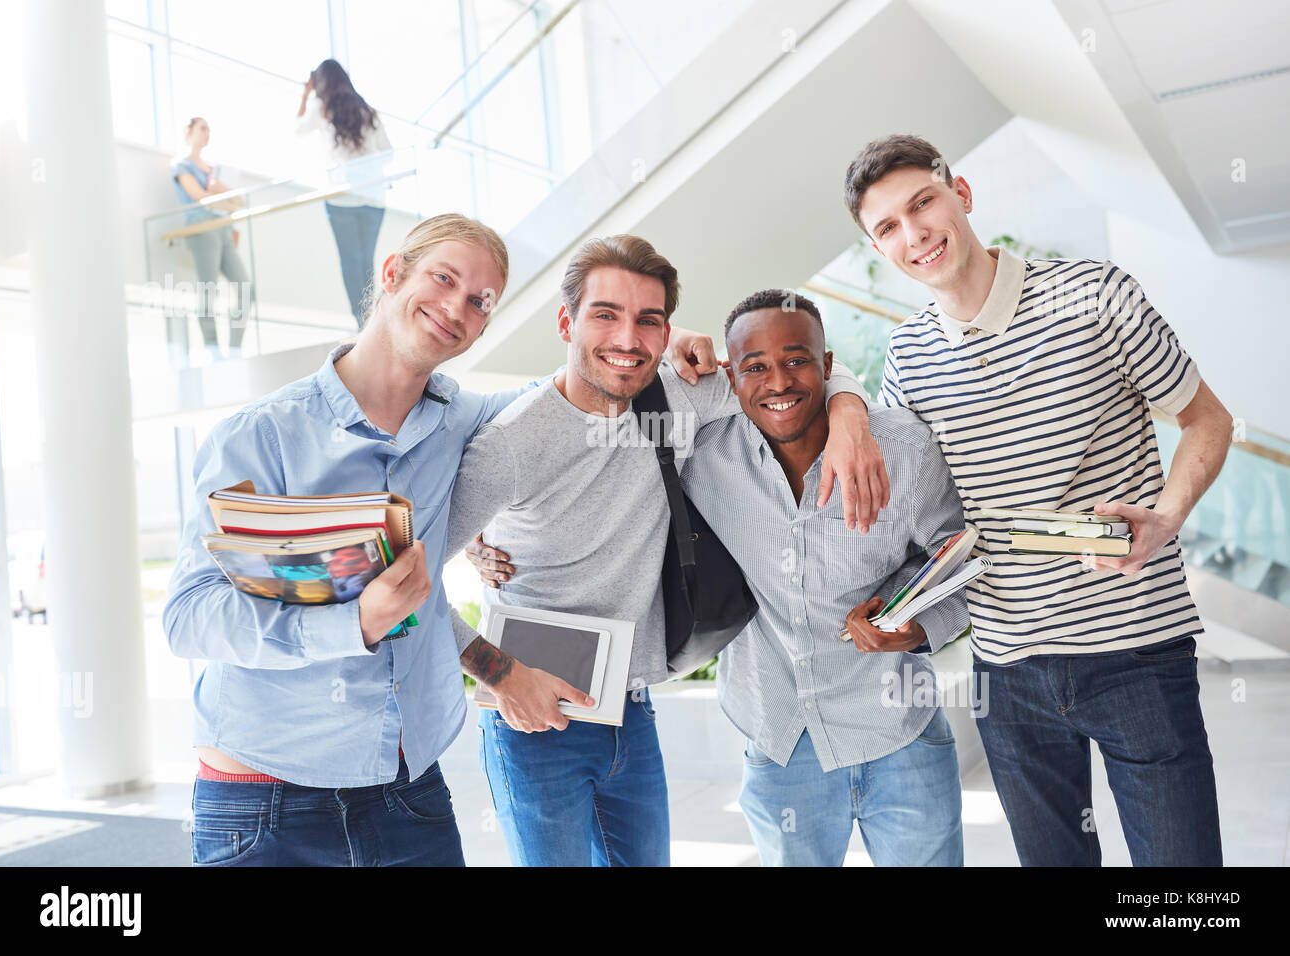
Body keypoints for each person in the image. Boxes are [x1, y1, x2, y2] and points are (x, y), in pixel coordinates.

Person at [163, 213, 722, 867]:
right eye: (443, 279)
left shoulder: (467, 423)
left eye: (480, 300)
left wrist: (652, 337)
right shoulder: (262, 435)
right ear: (393, 272)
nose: (457, 306)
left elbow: (573, 392)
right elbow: (188, 618)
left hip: (407, 794)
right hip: (266, 803)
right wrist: (353, 623)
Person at [473, 289, 970, 867]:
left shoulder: (903, 447)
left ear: (828, 365)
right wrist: (486, 532)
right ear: (730, 378)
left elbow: (956, 560)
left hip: (901, 733)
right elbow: (579, 398)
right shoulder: (702, 451)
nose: (778, 382)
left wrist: (921, 625)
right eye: (754, 367)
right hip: (780, 742)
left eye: (798, 360)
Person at [844, 133, 1232, 866]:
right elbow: (926, 518)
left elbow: (1206, 417)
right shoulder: (907, 357)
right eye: (886, 227)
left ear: (960, 194)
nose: (914, 233)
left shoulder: (1096, 294)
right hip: (1007, 672)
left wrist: (1168, 516)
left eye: (922, 203)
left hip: (1137, 651)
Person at [297, 59, 392, 327]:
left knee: (351, 264)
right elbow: (388, 153)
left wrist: (305, 95)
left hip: (342, 199)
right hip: (373, 197)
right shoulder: (367, 111)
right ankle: (372, 321)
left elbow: (298, 129)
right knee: (366, 263)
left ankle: (363, 324)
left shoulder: (321, 107)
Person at [171, 117, 251, 360]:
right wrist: (222, 196)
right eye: (202, 128)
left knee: (244, 286)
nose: (207, 133)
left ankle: (235, 348)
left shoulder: (213, 169)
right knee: (209, 288)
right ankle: (213, 348)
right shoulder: (181, 165)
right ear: (189, 132)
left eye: (209, 129)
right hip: (201, 228)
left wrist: (221, 193)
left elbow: (239, 201)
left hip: (224, 229)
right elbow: (199, 196)